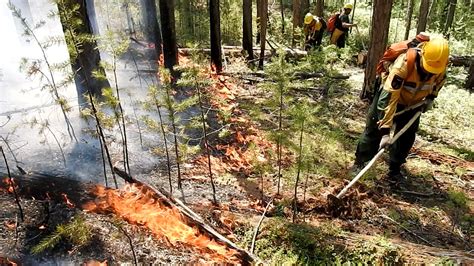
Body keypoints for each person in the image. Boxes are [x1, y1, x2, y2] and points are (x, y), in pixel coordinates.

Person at [353, 37, 449, 184]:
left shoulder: (440, 66)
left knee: (406, 137)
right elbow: (389, 97)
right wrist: (385, 131)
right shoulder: (405, 63)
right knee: (374, 129)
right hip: (390, 97)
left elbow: (438, 82)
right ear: (423, 54)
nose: (429, 70)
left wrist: (431, 97)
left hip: (414, 104)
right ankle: (360, 162)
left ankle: (395, 169)